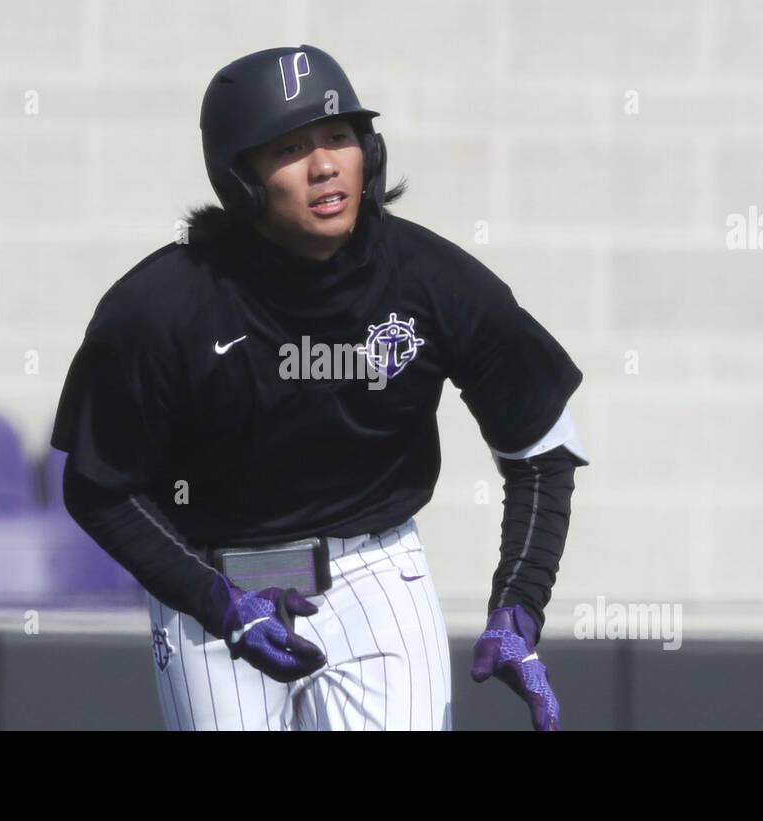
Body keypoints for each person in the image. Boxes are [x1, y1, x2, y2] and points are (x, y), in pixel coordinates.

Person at [52, 44, 589, 731]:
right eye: (289, 146)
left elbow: (541, 446)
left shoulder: (432, 280)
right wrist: (212, 597)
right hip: (217, 582)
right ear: (239, 178)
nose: (325, 163)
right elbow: (100, 487)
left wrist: (520, 597)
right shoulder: (161, 307)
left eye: (339, 136)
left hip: (378, 572)